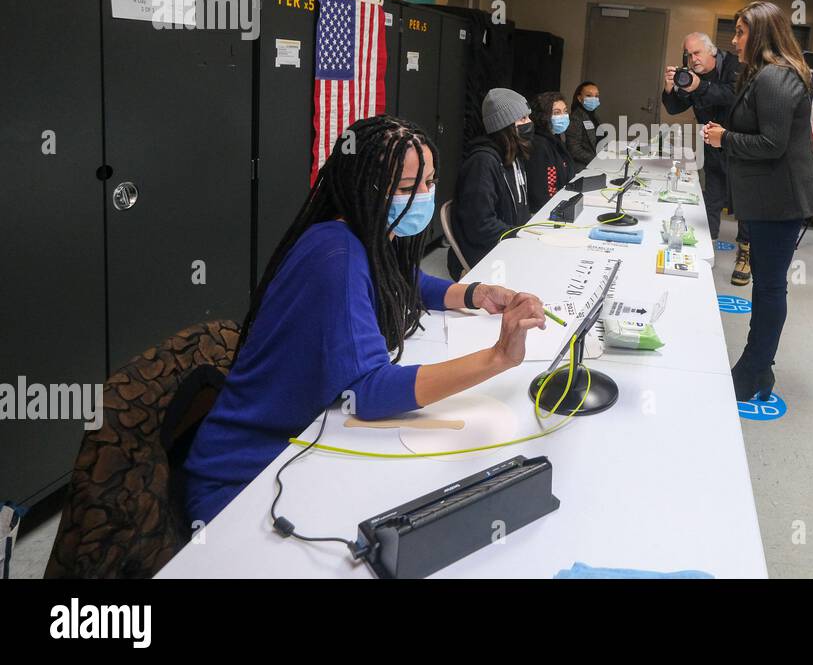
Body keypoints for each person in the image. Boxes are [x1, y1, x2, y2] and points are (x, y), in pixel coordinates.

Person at [184, 115, 546, 525]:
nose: (425, 196)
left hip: (297, 448)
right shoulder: (336, 257)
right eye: (409, 188)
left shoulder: (361, 235)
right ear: (365, 189)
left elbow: (404, 278)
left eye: (429, 182)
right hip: (244, 481)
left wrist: (474, 293)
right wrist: (498, 357)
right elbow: (369, 391)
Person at [702, 3, 813, 402]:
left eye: (739, 32)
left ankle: (753, 370)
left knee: (770, 289)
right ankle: (759, 369)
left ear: (762, 34)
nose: (733, 41)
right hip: (769, 200)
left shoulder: (775, 77)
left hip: (779, 201)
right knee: (768, 287)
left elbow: (773, 143)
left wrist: (725, 139)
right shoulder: (764, 76)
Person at [660, 31, 750, 284]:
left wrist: (701, 86)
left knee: (743, 201)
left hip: (740, 143)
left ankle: (745, 252)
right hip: (712, 144)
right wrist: (671, 88)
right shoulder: (690, 74)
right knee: (712, 196)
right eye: (688, 55)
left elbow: (733, 96)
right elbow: (676, 107)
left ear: (711, 51)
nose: (692, 59)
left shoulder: (735, 66)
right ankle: (706, 250)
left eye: (696, 53)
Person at [449, 88, 533, 278]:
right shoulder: (482, 163)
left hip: (511, 245)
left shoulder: (514, 156)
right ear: (504, 126)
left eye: (528, 117)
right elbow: (480, 225)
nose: (530, 123)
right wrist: (521, 236)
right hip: (489, 256)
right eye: (522, 119)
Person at [525, 91, 575, 211]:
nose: (563, 116)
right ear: (544, 116)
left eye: (565, 111)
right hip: (545, 211)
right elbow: (541, 192)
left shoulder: (555, 137)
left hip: (561, 201)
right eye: (557, 113)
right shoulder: (539, 145)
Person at [566, 81, 603, 169]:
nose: (593, 99)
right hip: (582, 166)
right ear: (579, 98)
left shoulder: (595, 116)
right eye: (589, 95)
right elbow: (574, 149)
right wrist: (597, 159)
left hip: (598, 161)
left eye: (596, 96)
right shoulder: (575, 118)